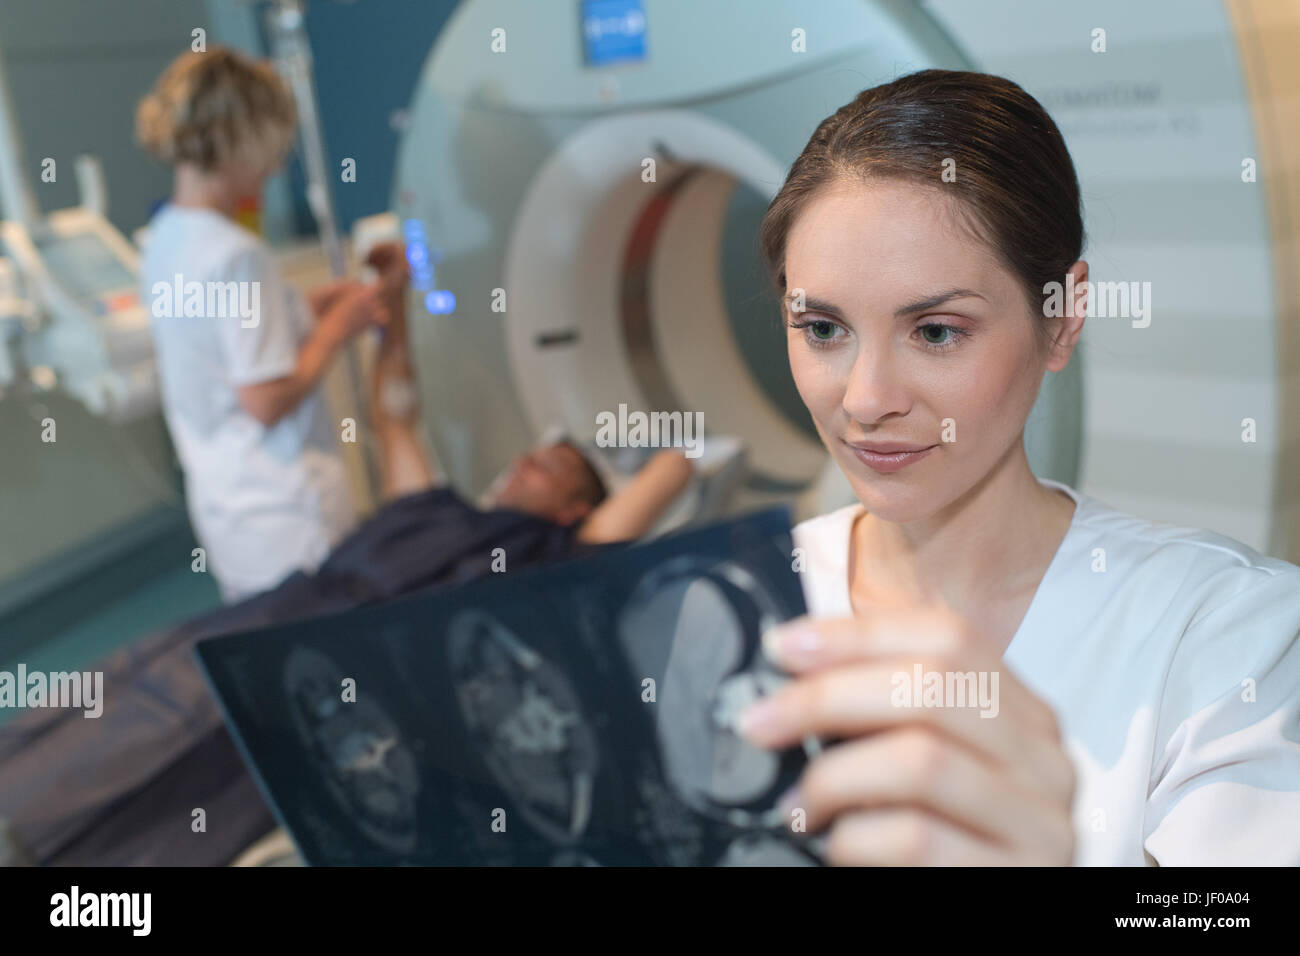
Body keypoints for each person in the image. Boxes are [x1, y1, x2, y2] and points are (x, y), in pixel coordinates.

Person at [737, 69, 1300, 865]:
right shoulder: (738, 610)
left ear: (1063, 319)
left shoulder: (1224, 635)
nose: (866, 400)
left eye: (935, 332)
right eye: (823, 328)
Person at [136, 47, 399, 602]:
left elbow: (226, 332)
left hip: (229, 507)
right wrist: (338, 329)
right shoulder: (238, 255)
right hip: (285, 514)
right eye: (272, 149)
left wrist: (315, 303)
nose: (277, 166)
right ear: (238, 140)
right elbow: (265, 399)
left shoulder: (166, 237)